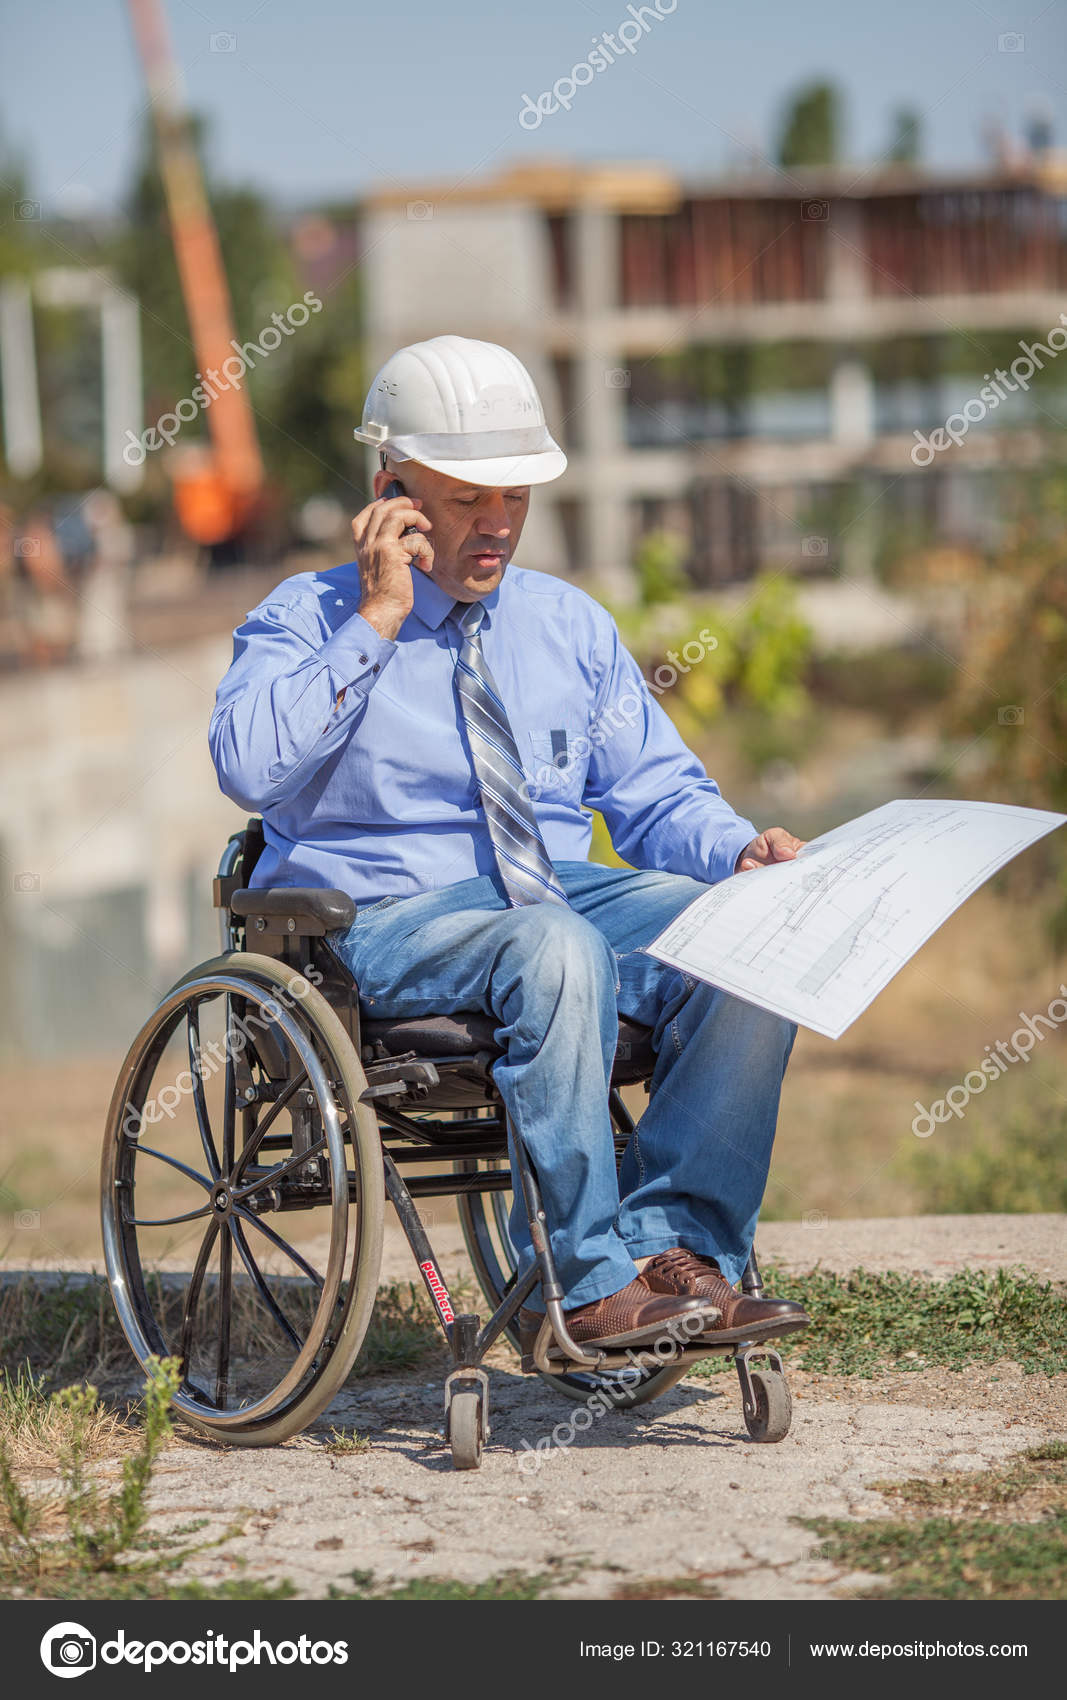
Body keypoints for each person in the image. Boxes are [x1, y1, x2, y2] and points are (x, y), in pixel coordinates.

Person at [209, 334, 810, 1361]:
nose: (495, 526)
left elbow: (656, 792)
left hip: (551, 890)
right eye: (463, 500)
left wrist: (736, 853)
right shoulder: (308, 617)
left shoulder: (567, 625)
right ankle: (587, 1282)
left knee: (754, 934)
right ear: (389, 490)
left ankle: (676, 1249)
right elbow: (247, 767)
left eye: (514, 499)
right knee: (553, 943)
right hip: (383, 917)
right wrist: (378, 619)